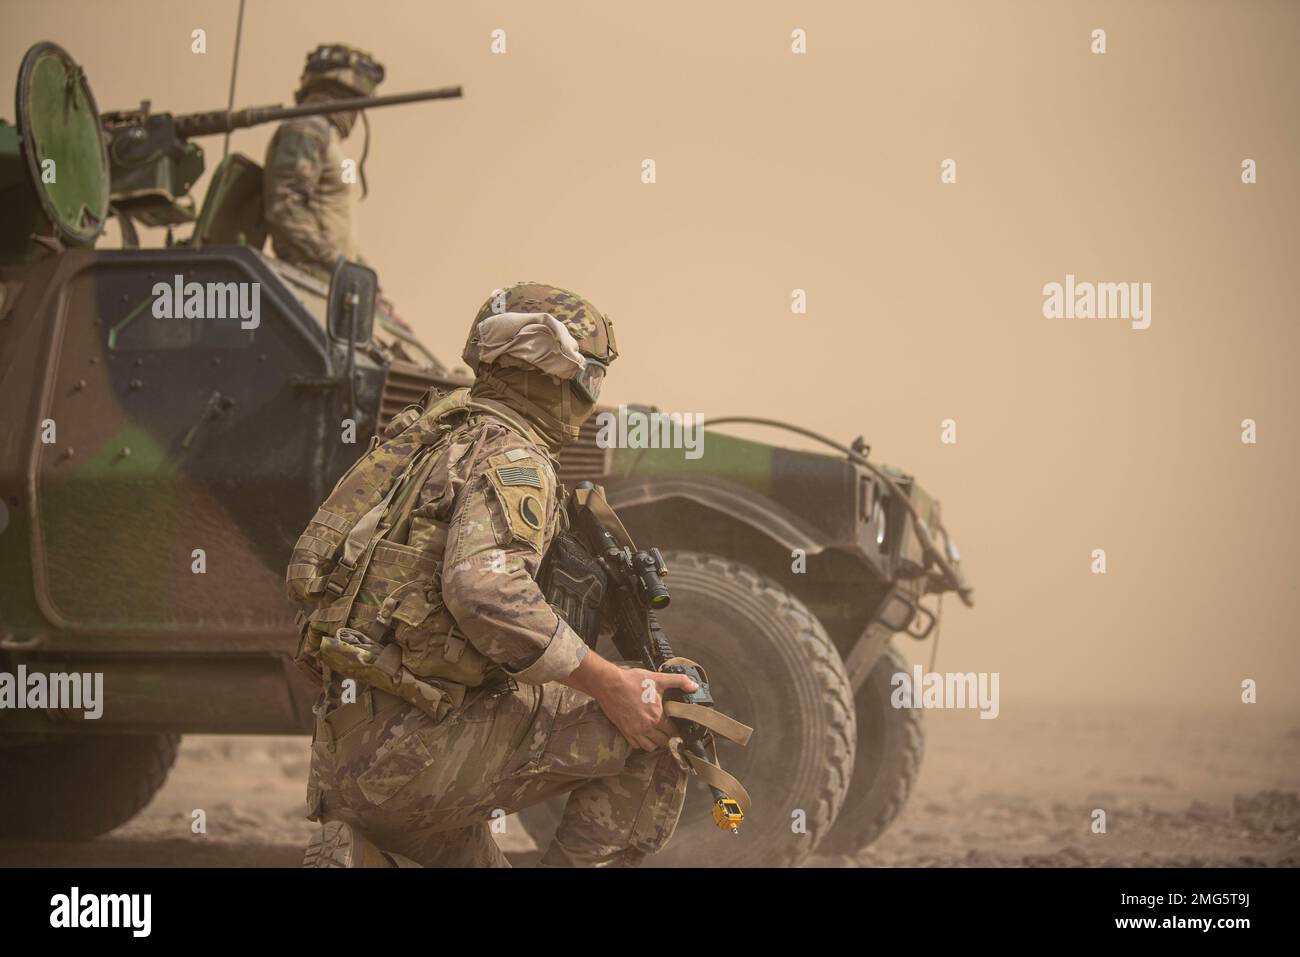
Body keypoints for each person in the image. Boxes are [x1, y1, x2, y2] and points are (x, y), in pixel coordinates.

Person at [298, 283, 693, 867]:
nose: (592, 396)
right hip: (420, 754)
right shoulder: (515, 458)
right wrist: (613, 683)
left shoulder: (430, 437)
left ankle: (365, 848)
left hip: (353, 750)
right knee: (668, 722)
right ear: (552, 371)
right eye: (591, 377)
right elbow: (486, 591)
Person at [263, 44, 383, 279]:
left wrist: (361, 272)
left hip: (328, 281)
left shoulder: (325, 135)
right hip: (309, 277)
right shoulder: (307, 129)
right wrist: (337, 263)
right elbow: (286, 207)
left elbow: (332, 224)